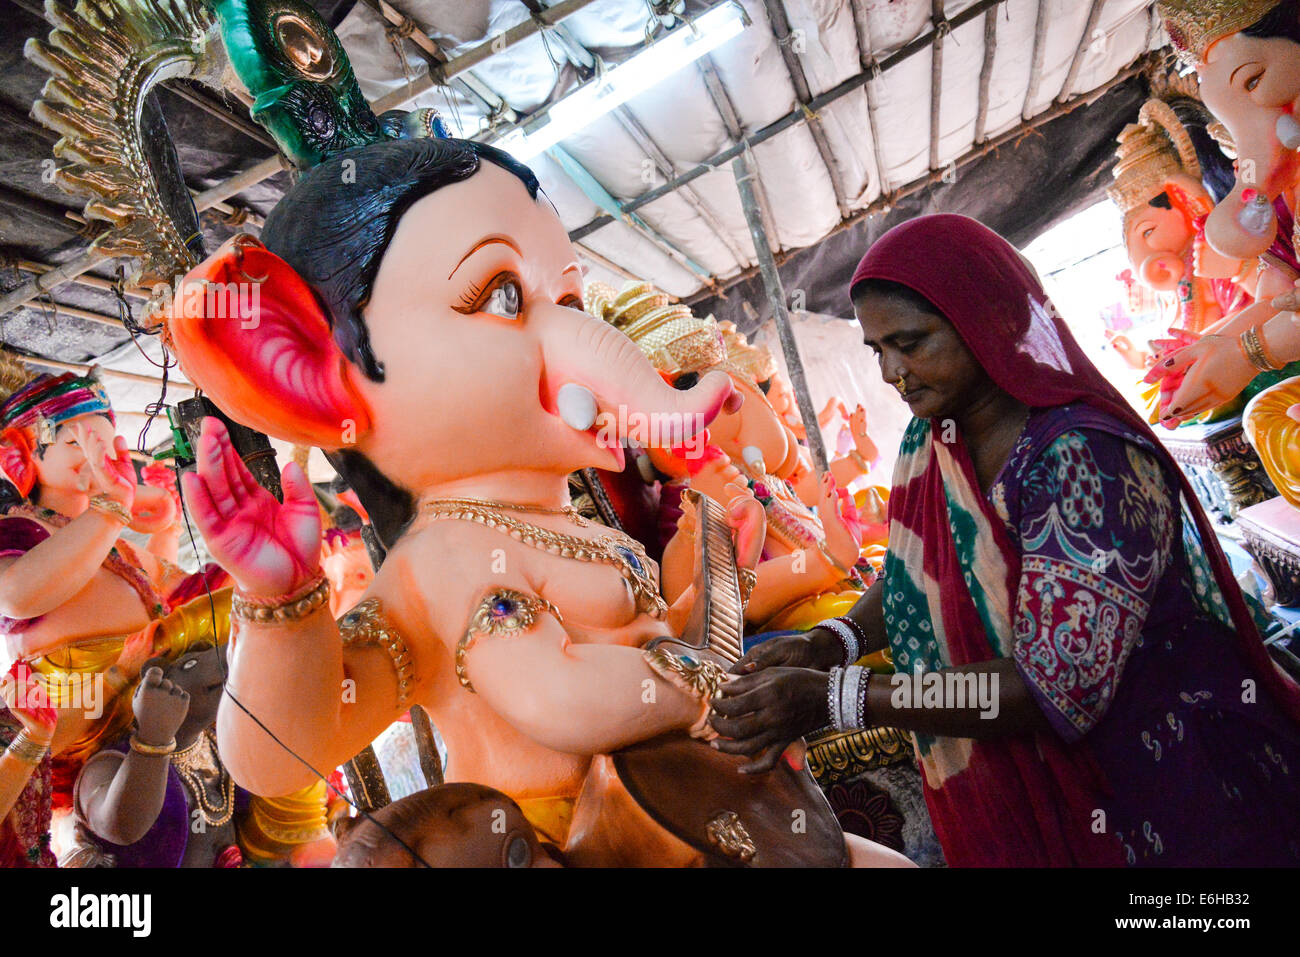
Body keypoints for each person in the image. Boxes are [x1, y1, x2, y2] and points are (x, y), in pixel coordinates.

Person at [709, 214, 1300, 866]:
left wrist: (836, 697)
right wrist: (830, 641)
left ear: (986, 318)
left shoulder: (1079, 456)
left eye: (910, 342)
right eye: (877, 349)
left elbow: (1057, 690)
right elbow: (917, 573)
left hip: (1168, 781)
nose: (890, 372)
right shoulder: (937, 437)